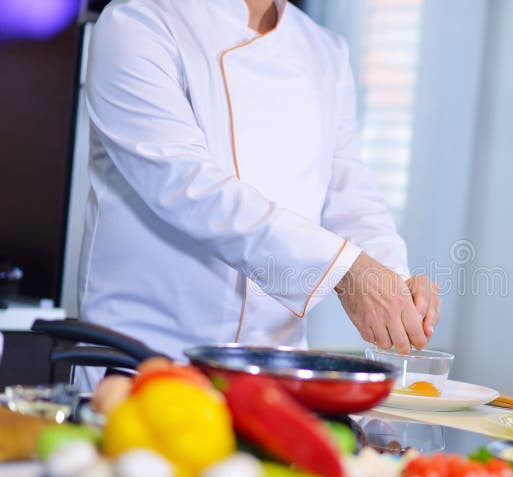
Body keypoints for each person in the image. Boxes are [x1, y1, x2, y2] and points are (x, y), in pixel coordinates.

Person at [78, 0, 440, 389]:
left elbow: (350, 192)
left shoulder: (324, 49)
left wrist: (392, 282)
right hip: (144, 361)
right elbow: (189, 188)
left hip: (272, 374)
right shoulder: (139, 22)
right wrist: (346, 270)